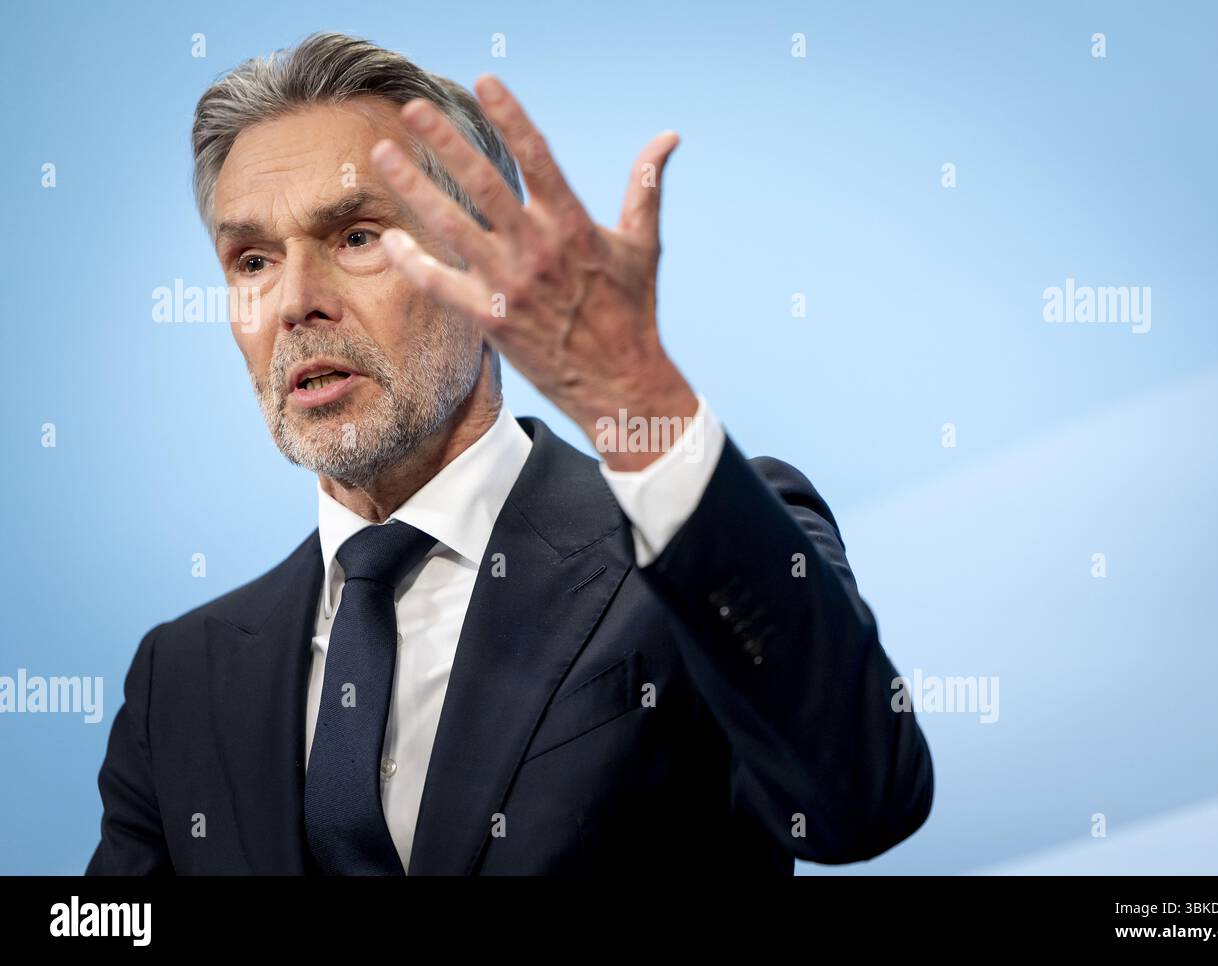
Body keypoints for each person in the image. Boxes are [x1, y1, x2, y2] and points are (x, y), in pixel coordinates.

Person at [86, 31, 933, 875]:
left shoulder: (694, 549)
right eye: (254, 260)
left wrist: (637, 400)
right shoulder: (182, 676)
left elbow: (862, 798)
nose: (297, 303)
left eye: (356, 237)